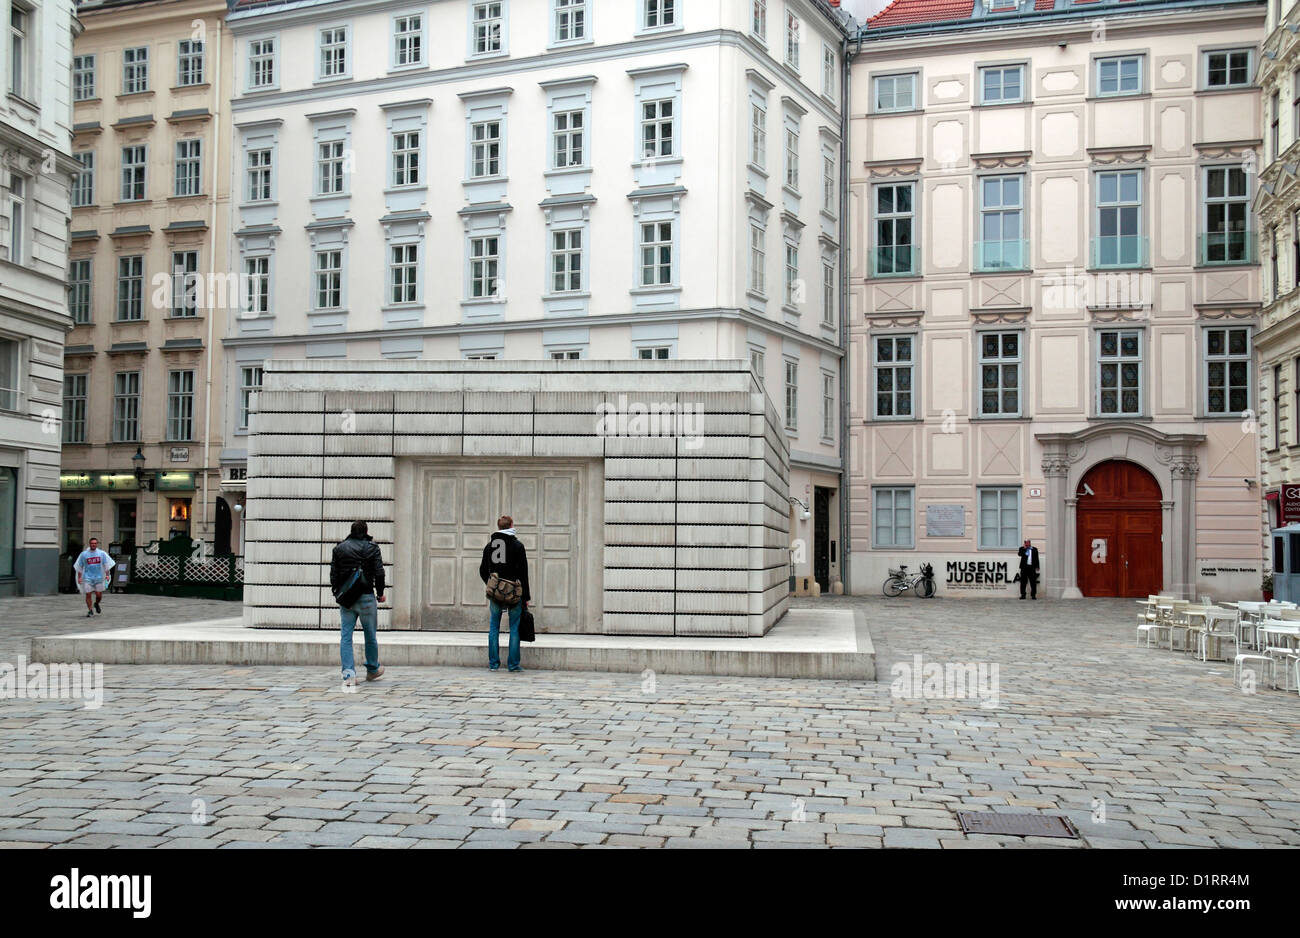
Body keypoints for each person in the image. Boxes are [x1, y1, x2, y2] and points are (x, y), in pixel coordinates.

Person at [330, 521, 386, 687]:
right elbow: (379, 572)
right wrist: (380, 593)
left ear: (351, 531)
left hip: (347, 598)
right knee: (370, 635)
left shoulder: (339, 548)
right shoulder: (372, 548)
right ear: (366, 531)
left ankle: (349, 675)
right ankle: (372, 669)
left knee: (346, 636)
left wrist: (337, 593)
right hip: (366, 596)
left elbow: (333, 574)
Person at [479, 515, 530, 672]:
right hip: (513, 594)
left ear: (498, 527)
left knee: (494, 626)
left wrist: (492, 585)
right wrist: (526, 597)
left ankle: (494, 664)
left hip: (496, 594)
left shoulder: (489, 546)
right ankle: (513, 665)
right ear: (511, 525)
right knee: (514, 627)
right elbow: (523, 573)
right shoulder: (517, 546)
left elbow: (482, 570)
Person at [73, 537, 115, 617]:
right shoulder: (84, 554)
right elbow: (80, 567)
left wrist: (107, 575)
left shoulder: (101, 553)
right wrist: (79, 577)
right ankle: (90, 610)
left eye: (95, 543)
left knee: (98, 595)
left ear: (97, 544)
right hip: (87, 578)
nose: (93, 545)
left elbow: (106, 565)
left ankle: (96, 603)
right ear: (90, 544)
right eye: (92, 543)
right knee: (88, 594)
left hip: (99, 577)